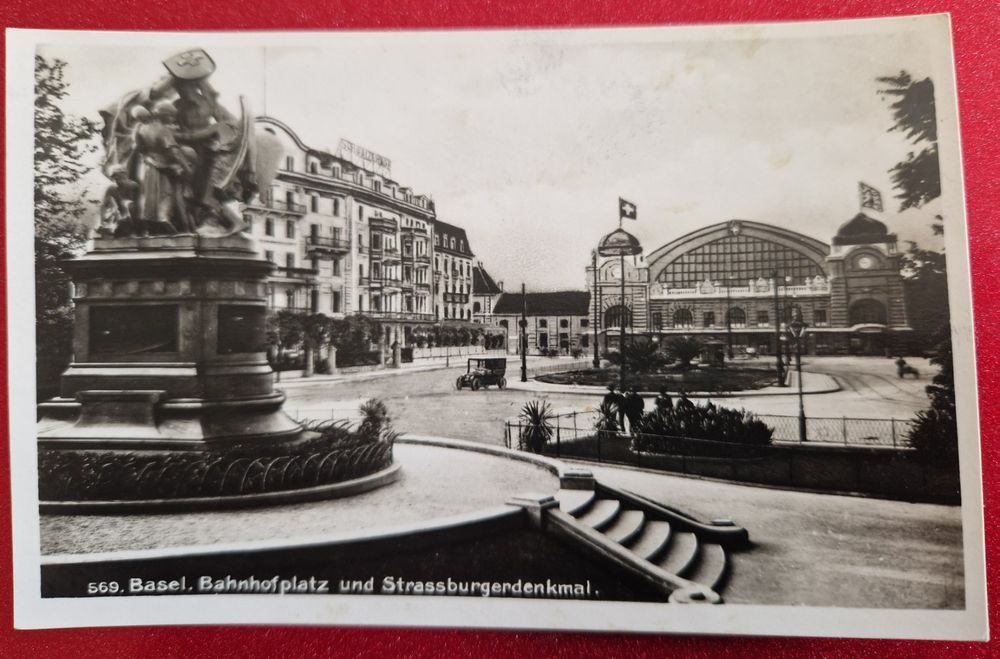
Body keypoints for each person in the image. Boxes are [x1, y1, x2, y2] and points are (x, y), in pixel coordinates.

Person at [133, 101, 195, 233]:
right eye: (171, 116)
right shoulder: (163, 130)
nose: (172, 119)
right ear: (164, 115)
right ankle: (164, 219)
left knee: (150, 197)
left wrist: (150, 159)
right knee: (166, 195)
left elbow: (139, 150)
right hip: (163, 168)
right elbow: (176, 152)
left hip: (147, 168)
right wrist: (187, 168)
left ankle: (151, 226)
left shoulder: (140, 128)